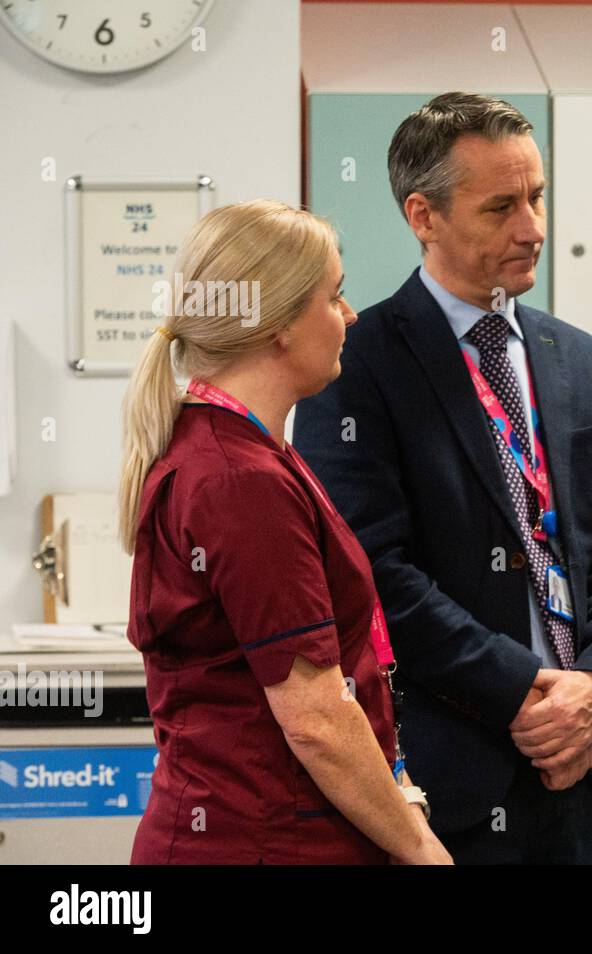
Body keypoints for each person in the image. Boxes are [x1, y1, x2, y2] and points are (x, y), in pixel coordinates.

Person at [294, 93, 592, 864]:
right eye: (501, 207)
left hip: (576, 766)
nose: (534, 228)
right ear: (424, 216)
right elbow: (371, 573)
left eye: (538, 196)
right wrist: (524, 691)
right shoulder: (355, 364)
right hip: (445, 781)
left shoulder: (581, 360)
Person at [119, 200, 451, 864]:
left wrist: (399, 794)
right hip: (260, 840)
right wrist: (421, 850)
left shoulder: (245, 454)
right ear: (278, 325)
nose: (351, 316)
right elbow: (317, 721)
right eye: (335, 297)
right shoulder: (241, 481)